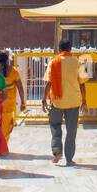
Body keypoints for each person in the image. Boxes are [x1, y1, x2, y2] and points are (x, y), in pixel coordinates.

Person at [40, 39, 88, 167]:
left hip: (56, 101)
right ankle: (69, 159)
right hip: (73, 101)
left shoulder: (53, 62)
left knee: (55, 126)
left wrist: (44, 99)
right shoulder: (78, 62)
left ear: (59, 49)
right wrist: (84, 101)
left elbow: (48, 83)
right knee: (71, 130)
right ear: (70, 49)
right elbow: (82, 84)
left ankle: (57, 153)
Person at [0, 49, 25, 155]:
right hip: (9, 104)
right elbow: (20, 88)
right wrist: (23, 102)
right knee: (7, 126)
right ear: (7, 60)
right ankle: (3, 148)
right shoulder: (14, 71)